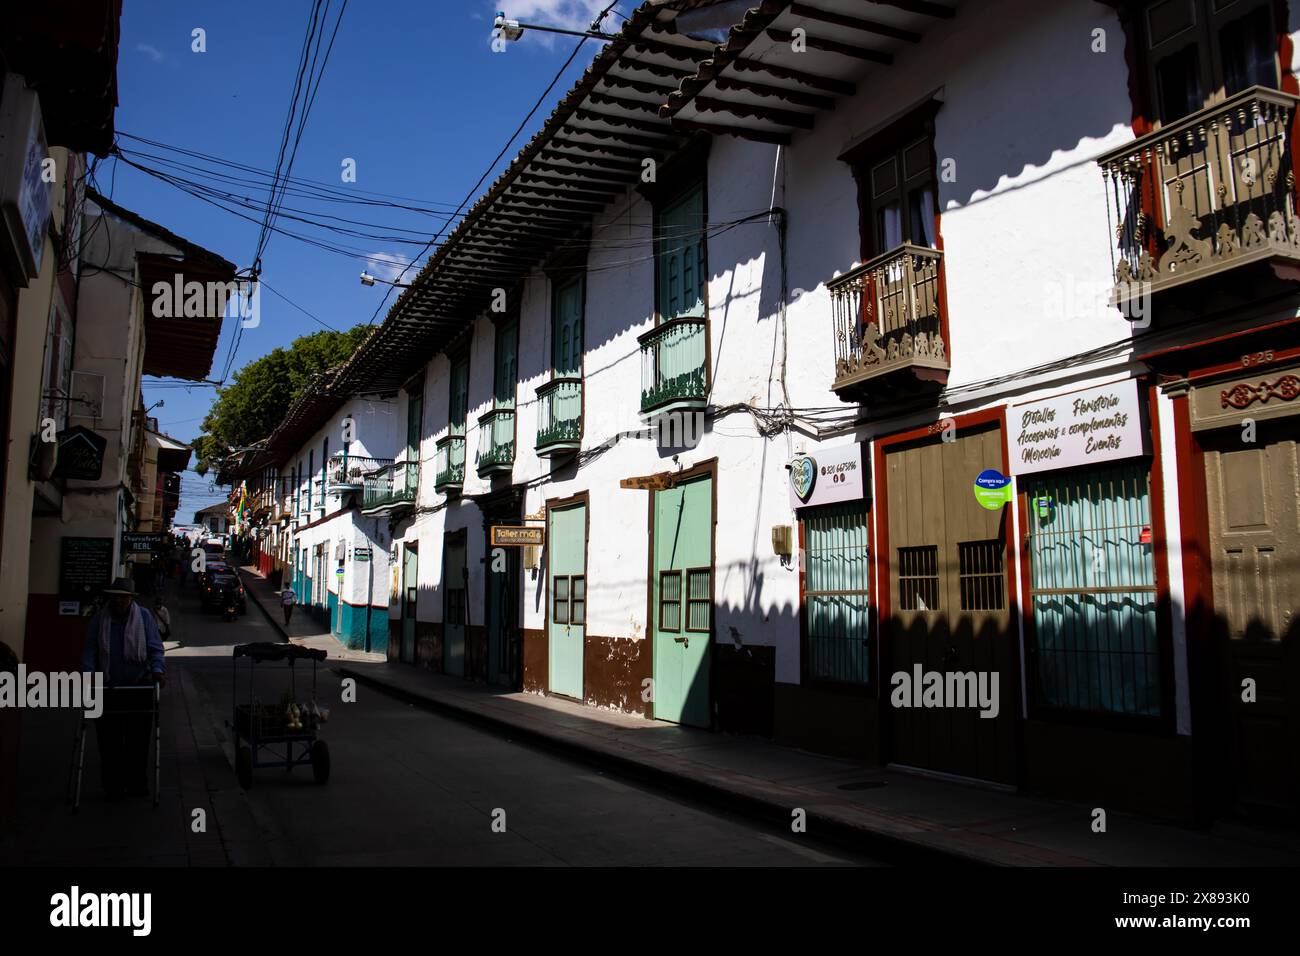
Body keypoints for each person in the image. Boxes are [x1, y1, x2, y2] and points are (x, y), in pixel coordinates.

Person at [81, 578, 166, 799]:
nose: (119, 600)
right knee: (109, 742)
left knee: (138, 741)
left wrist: (158, 670)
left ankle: (137, 784)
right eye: (115, 596)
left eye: (123, 597)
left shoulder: (144, 618)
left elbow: (155, 648)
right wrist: (88, 674)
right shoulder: (99, 620)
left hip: (138, 687)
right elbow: (90, 650)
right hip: (107, 688)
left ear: (131, 599)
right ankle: (113, 786)